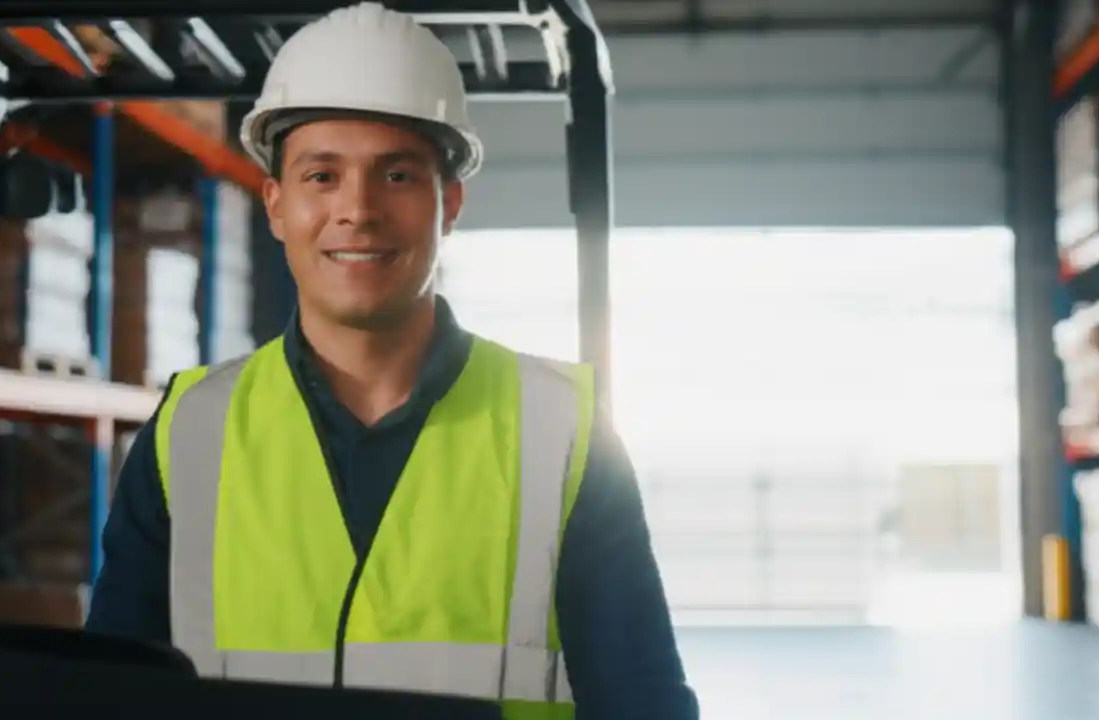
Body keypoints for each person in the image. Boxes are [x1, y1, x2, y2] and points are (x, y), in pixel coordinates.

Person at [86, 4, 698, 719]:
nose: (359, 209)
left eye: (398, 175)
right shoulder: (188, 432)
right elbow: (113, 696)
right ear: (276, 206)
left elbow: (644, 701)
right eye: (322, 176)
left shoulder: (563, 433)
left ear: (451, 204)